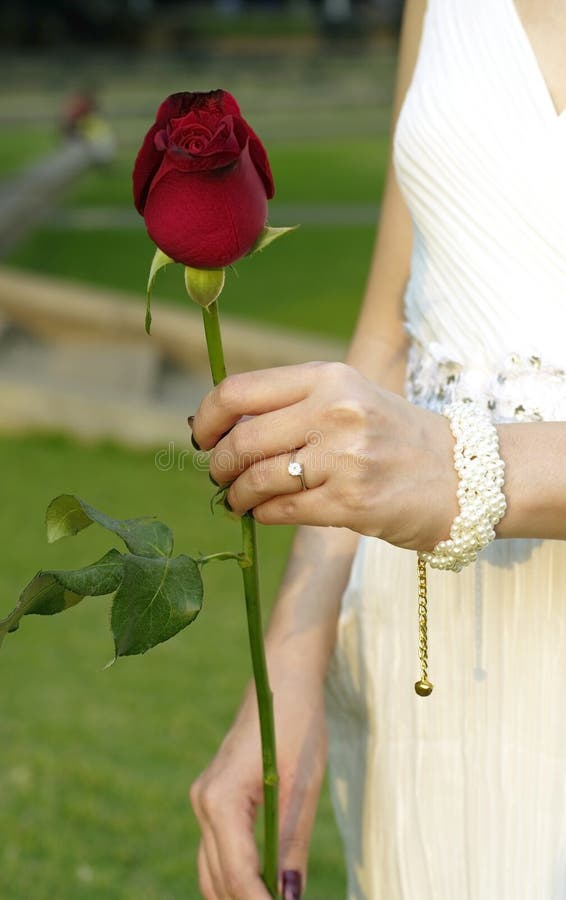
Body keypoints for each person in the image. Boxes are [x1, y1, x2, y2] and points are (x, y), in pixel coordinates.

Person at [189, 0, 566, 897]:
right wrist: (288, 662)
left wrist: (463, 466)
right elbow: (389, 335)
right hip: (420, 659)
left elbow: (434, 451)